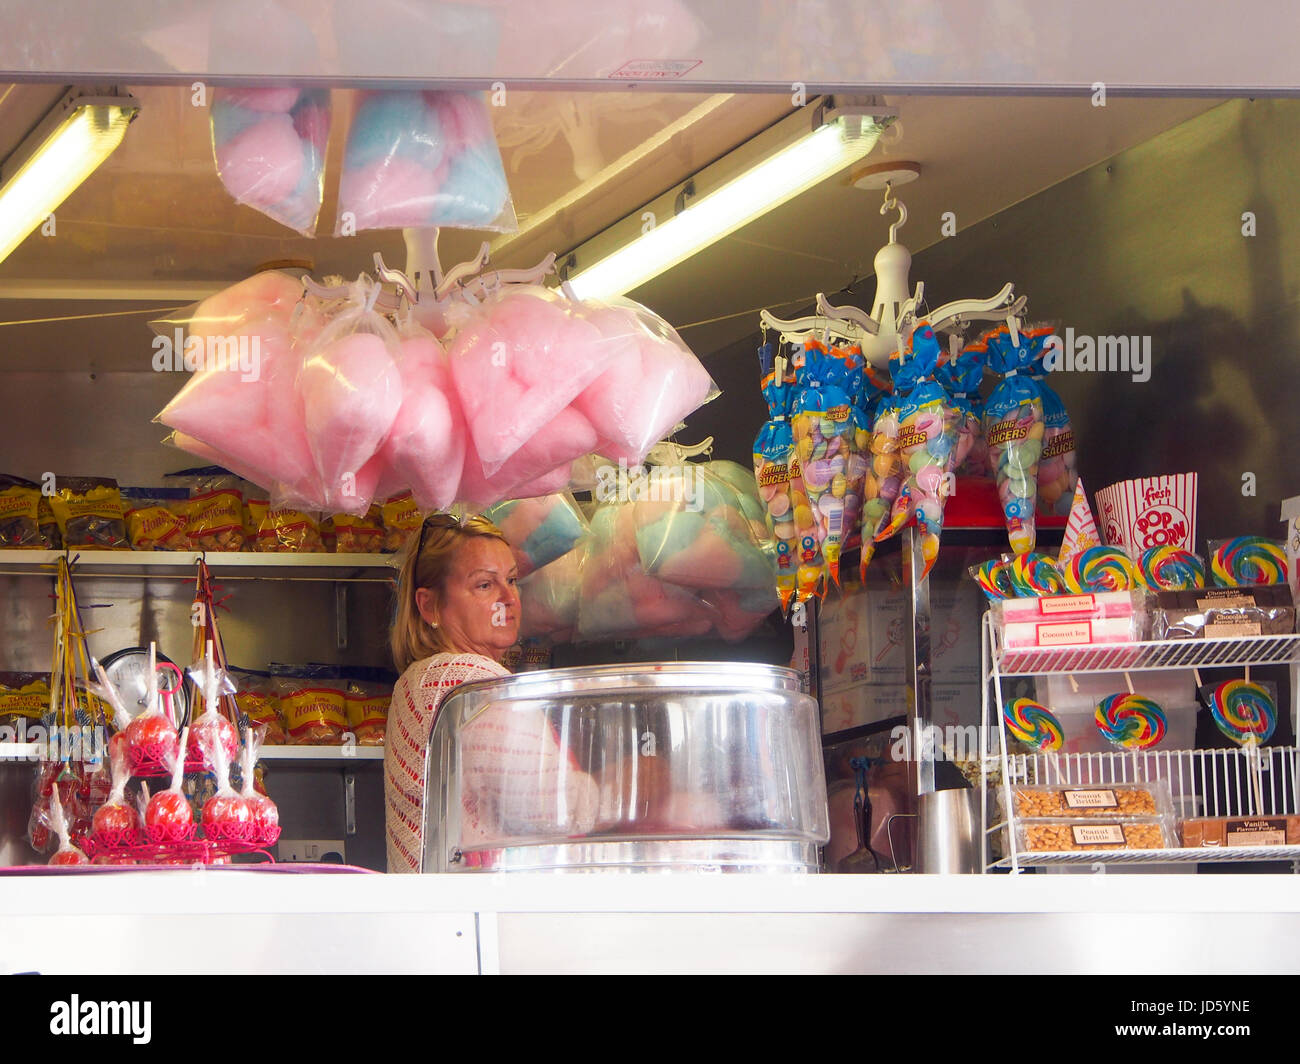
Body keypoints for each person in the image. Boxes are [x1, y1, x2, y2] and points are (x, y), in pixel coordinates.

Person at [384, 511, 522, 873]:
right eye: (484, 585)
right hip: (470, 921)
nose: (508, 599)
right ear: (429, 605)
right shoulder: (470, 680)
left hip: (438, 918)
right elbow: (556, 806)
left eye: (512, 580)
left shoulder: (419, 679)